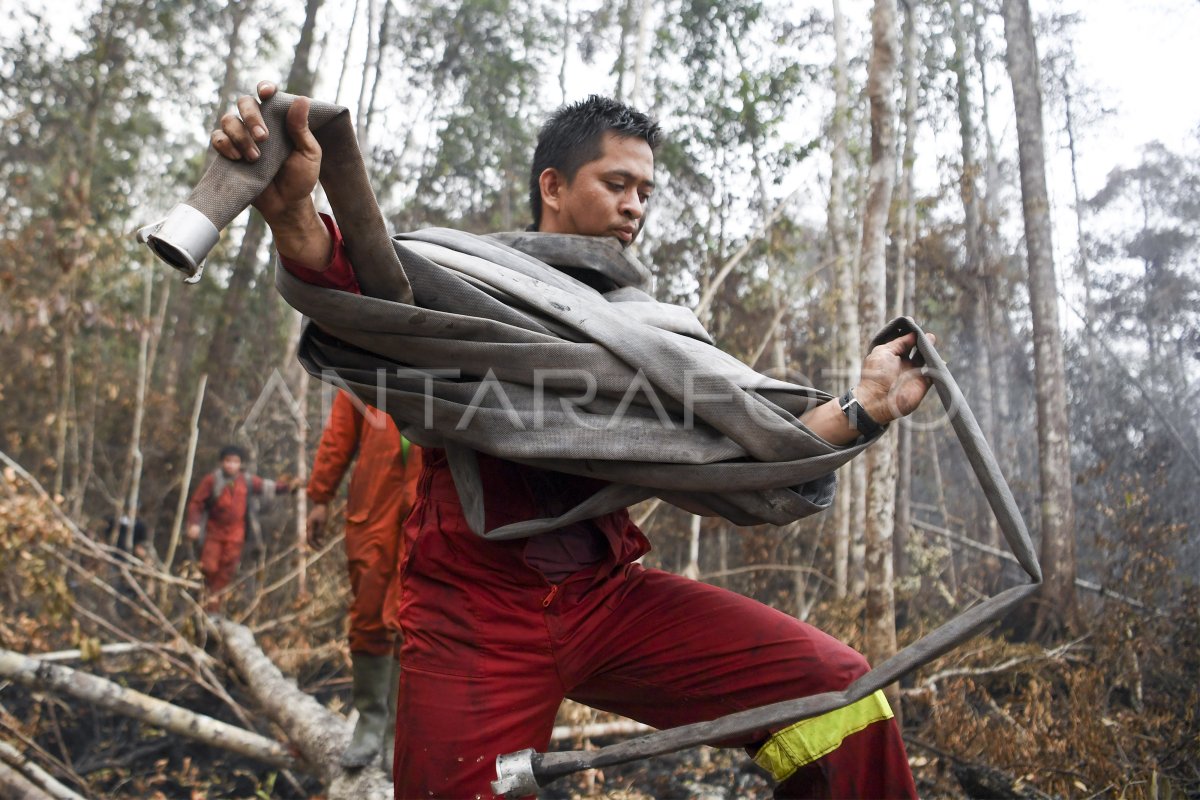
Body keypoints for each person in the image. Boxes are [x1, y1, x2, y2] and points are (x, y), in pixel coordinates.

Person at [212, 81, 935, 798]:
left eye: (646, 192)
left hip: (607, 596)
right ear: (552, 185)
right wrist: (297, 216)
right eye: (617, 183)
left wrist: (867, 403)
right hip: (473, 612)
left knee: (841, 696)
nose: (635, 207)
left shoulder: (653, 330)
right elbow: (370, 296)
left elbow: (744, 437)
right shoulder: (465, 281)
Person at [306, 389, 424, 771]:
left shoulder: (445, 357)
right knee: (369, 611)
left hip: (427, 508)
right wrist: (320, 495)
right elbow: (339, 433)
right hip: (373, 508)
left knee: (416, 618)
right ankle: (370, 724)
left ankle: (398, 731)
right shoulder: (363, 359)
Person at [186, 444, 292, 613]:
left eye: (235, 462)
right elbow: (197, 503)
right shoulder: (212, 480)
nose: (231, 465)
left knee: (226, 572)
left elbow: (267, 486)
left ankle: (213, 609)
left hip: (236, 536)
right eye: (228, 461)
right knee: (209, 567)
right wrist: (194, 524)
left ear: (240, 464)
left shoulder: (247, 480)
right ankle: (201, 602)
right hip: (214, 533)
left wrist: (289, 486)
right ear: (222, 462)